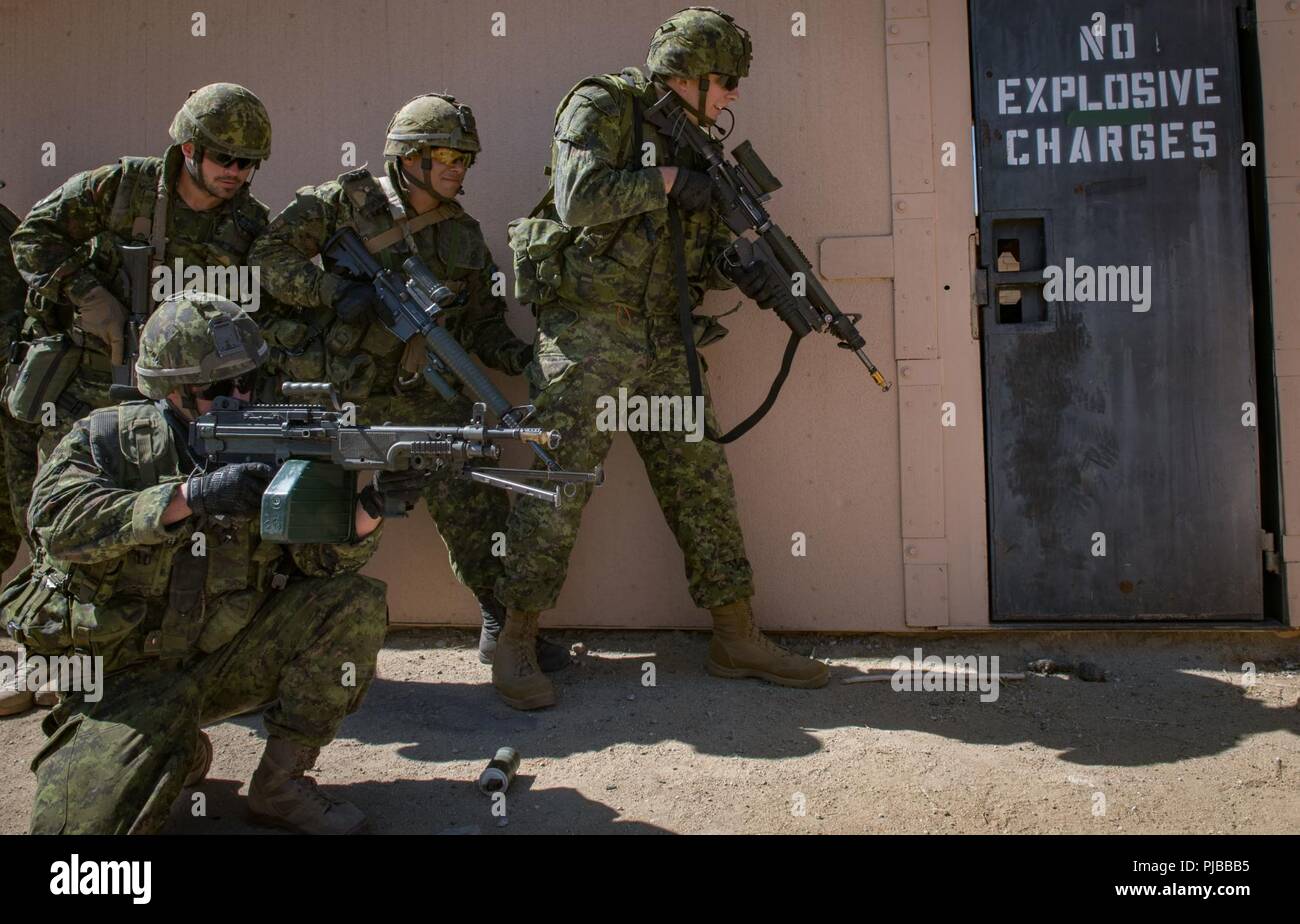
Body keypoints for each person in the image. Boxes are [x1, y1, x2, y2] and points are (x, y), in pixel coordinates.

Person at [492, 6, 827, 710]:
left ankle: (735, 635)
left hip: (664, 341)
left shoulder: (701, 144)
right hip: (588, 335)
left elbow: (690, 253)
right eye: (726, 79)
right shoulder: (602, 105)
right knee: (560, 484)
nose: (734, 94)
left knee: (700, 482)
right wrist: (671, 182)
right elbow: (578, 199)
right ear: (688, 73)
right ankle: (514, 640)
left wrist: (745, 270)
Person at [3, 292, 411, 835]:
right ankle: (167, 746)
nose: (240, 397)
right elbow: (56, 523)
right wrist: (190, 497)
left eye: (248, 382)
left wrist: (371, 508)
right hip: (123, 678)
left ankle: (280, 785)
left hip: (225, 658)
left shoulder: (272, 443)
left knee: (353, 602)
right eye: (220, 389)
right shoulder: (108, 439)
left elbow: (320, 564)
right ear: (173, 391)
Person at [249, 93, 568, 672]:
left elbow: (479, 326)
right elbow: (266, 257)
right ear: (409, 156)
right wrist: (333, 293)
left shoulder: (464, 236)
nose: (456, 167)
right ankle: (285, 640)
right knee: (315, 511)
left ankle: (503, 624)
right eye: (444, 154)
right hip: (334, 391)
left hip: (421, 391)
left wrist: (528, 359)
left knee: (474, 504)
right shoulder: (343, 202)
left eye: (465, 158)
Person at [7, 82, 273, 497]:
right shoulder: (124, 188)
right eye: (225, 157)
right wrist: (87, 294)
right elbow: (32, 238)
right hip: (89, 384)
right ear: (189, 148)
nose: (235, 172)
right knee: (62, 508)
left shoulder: (250, 225)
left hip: (181, 404)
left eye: (247, 163)